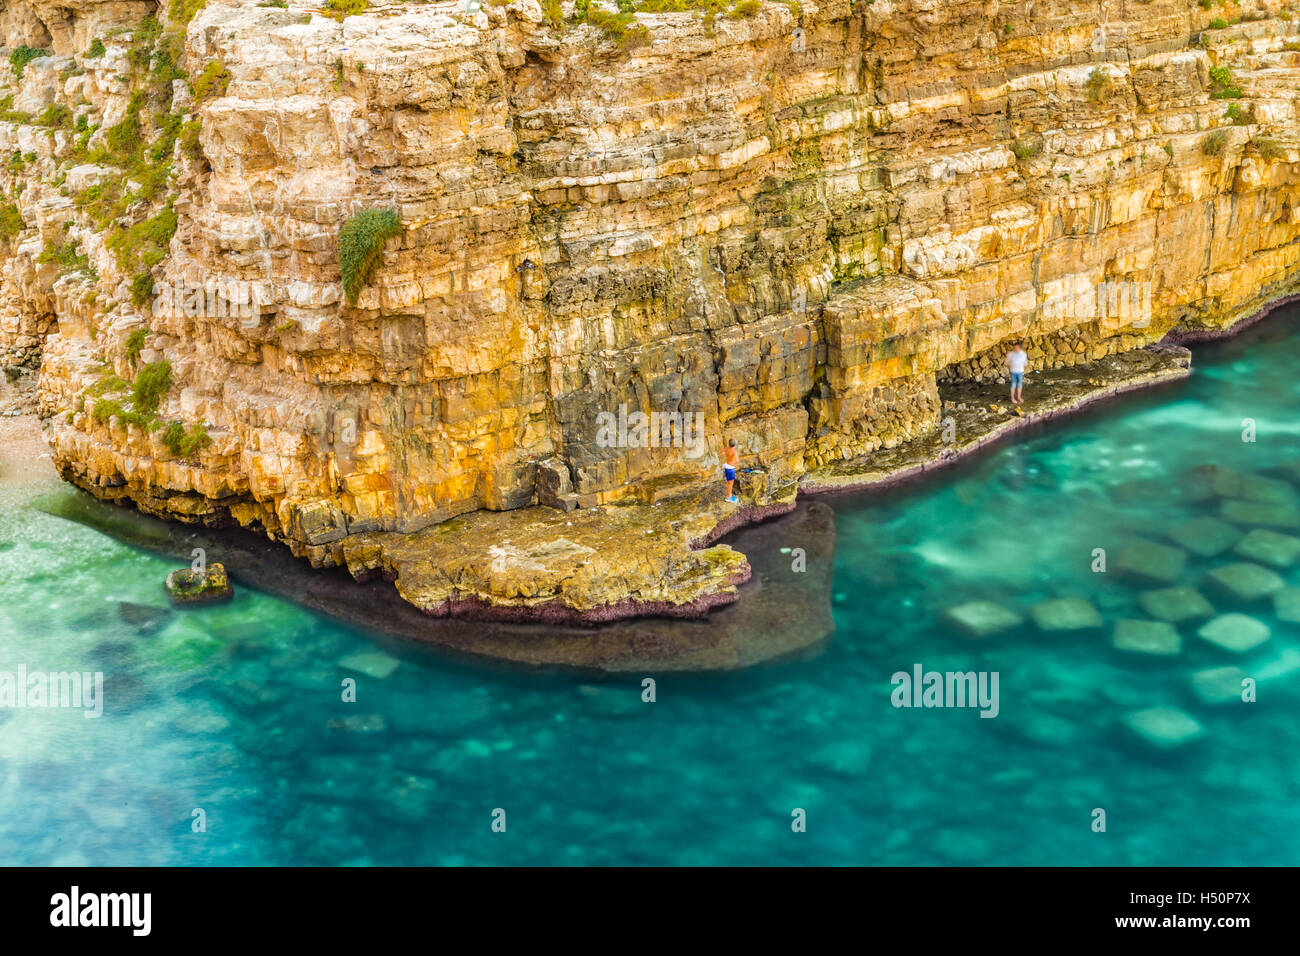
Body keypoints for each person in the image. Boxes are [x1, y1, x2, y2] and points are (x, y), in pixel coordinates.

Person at [724, 439, 740, 503]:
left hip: (726, 467)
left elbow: (720, 452)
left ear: (729, 444)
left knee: (728, 482)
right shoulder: (734, 451)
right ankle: (729, 498)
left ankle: (729, 495)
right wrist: (734, 463)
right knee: (730, 483)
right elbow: (737, 460)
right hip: (730, 469)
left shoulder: (727, 449)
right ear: (734, 444)